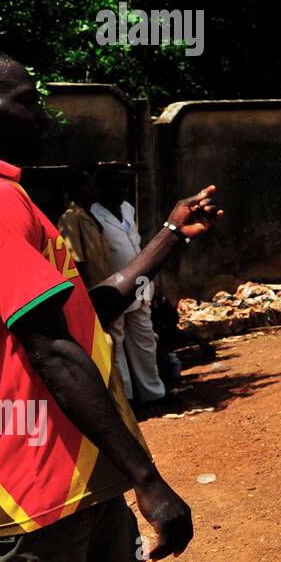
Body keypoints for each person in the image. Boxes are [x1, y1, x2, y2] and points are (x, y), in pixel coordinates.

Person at [0, 43, 222, 562]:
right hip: (42, 483)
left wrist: (168, 236)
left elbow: (76, 317)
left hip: (80, 471)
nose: (41, 116)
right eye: (24, 102)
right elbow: (50, 347)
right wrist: (148, 480)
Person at [91, 166, 167, 405]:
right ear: (102, 190)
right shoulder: (93, 214)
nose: (122, 190)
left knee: (145, 341)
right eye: (116, 186)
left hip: (141, 287)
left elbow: (137, 244)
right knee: (117, 344)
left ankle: (153, 393)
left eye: (123, 185)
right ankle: (127, 398)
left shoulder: (127, 209)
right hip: (115, 288)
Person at [57, 168, 112, 287]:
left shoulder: (91, 215)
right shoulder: (70, 217)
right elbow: (75, 262)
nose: (96, 190)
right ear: (78, 190)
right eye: (90, 186)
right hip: (90, 291)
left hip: (103, 285)